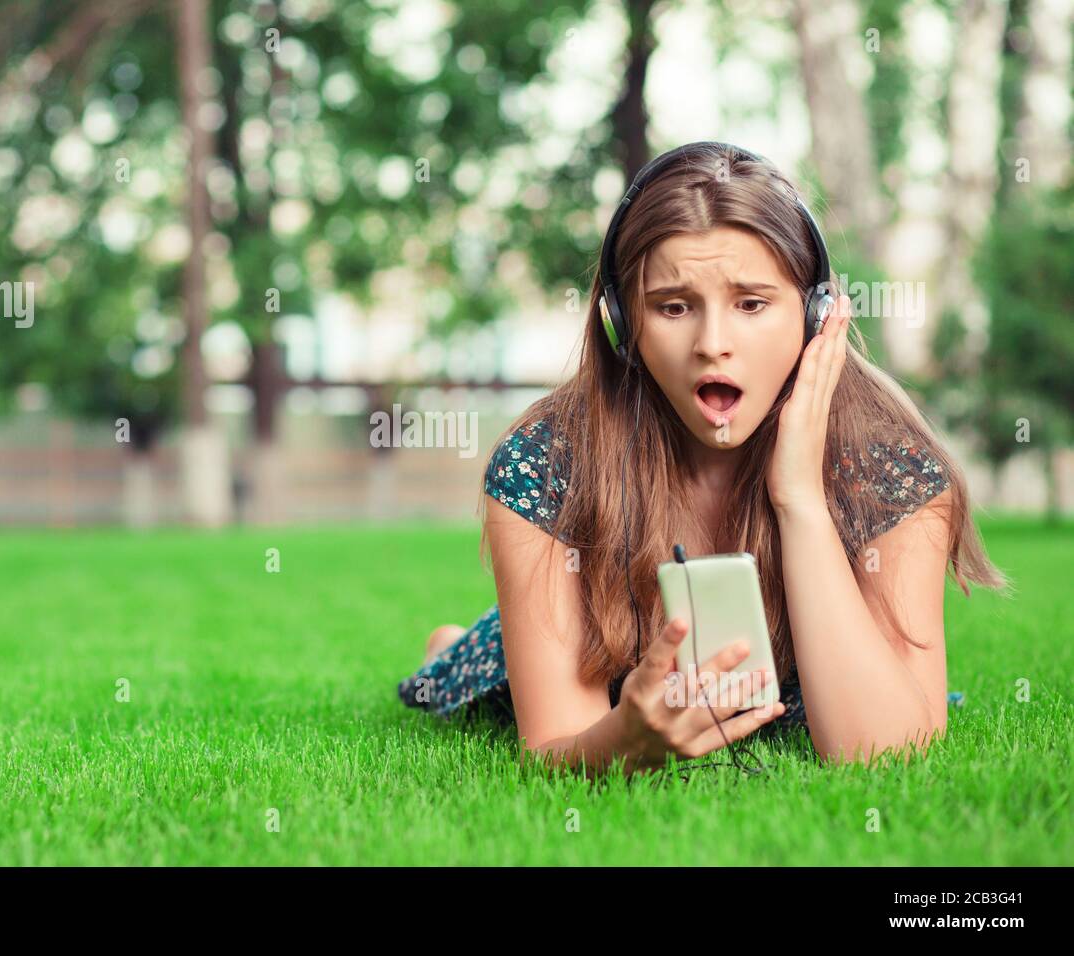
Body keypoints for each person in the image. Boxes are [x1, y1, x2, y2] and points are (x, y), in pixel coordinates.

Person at [397, 142, 1010, 773]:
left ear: (815, 315)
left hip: (798, 678)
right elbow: (555, 747)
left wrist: (798, 496)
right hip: (608, 659)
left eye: (751, 303)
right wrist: (627, 737)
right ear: (621, 323)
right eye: (673, 306)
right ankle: (452, 643)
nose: (713, 345)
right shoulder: (543, 463)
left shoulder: (893, 469)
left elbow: (884, 750)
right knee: (471, 673)